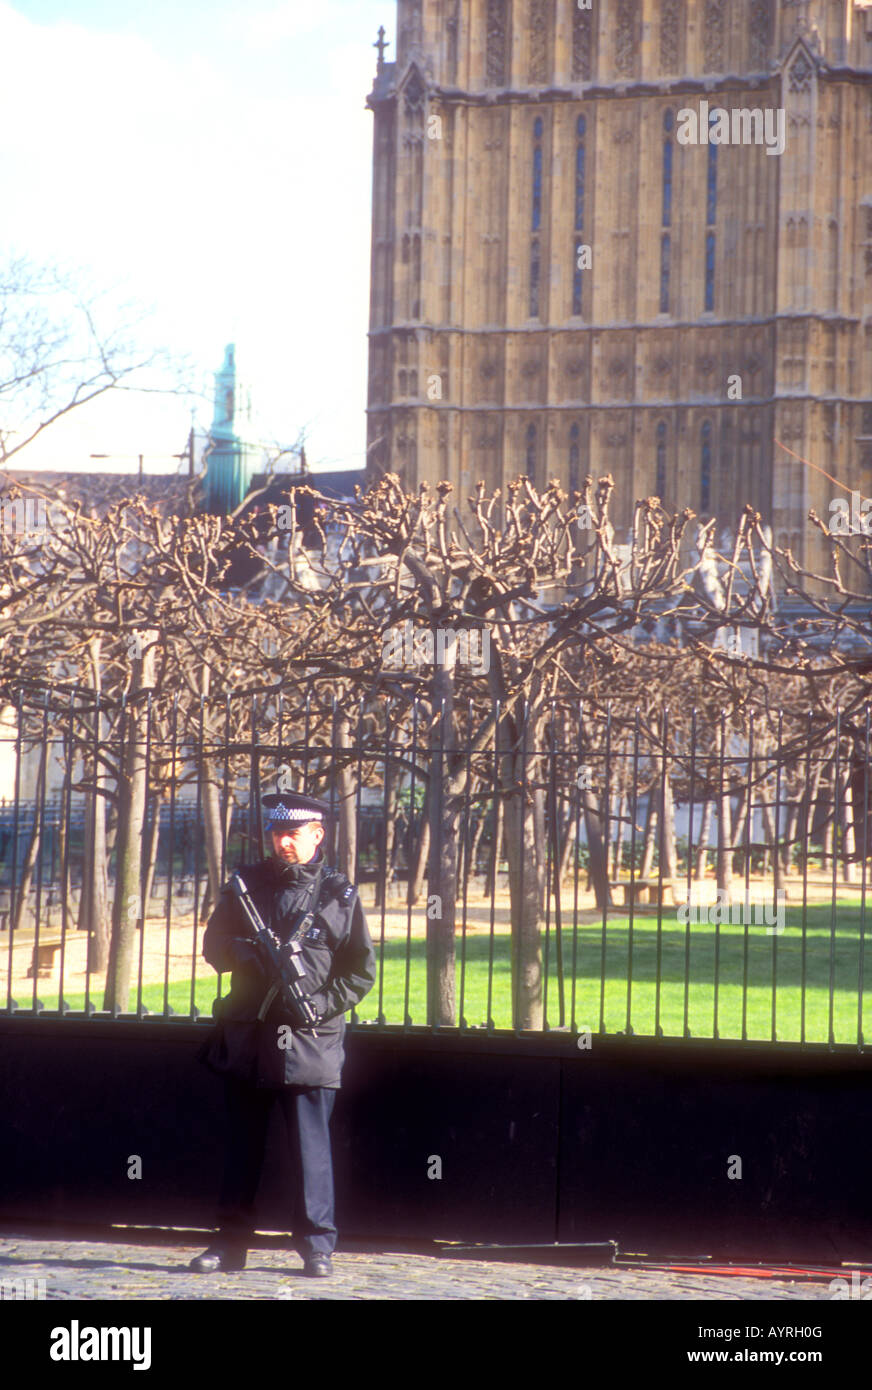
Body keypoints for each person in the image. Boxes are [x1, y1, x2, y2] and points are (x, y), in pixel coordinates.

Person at [190, 790, 375, 1278]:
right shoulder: (245, 885)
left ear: (318, 834)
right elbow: (214, 943)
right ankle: (228, 1245)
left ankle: (318, 1248)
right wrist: (241, 955)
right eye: (275, 833)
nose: (281, 842)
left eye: (291, 834)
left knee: (311, 1154)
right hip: (250, 1036)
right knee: (241, 1150)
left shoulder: (341, 894)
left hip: (311, 1040)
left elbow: (360, 972)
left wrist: (318, 1004)